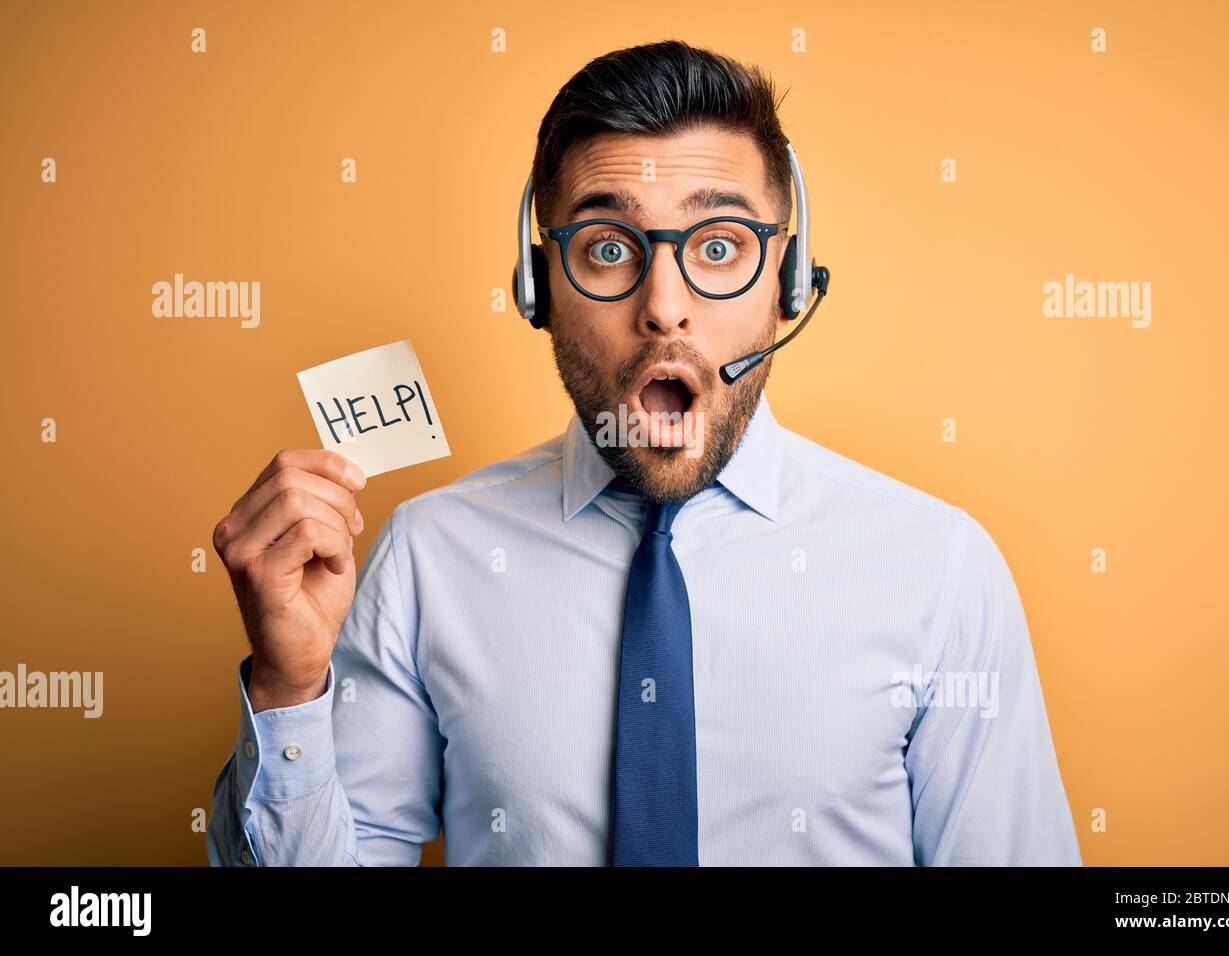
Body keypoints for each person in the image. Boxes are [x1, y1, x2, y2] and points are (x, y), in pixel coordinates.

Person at [206, 39, 1081, 866]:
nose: (665, 307)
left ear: (788, 280)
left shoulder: (940, 571)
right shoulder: (428, 559)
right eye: (609, 249)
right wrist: (291, 688)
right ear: (536, 285)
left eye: (717, 247)